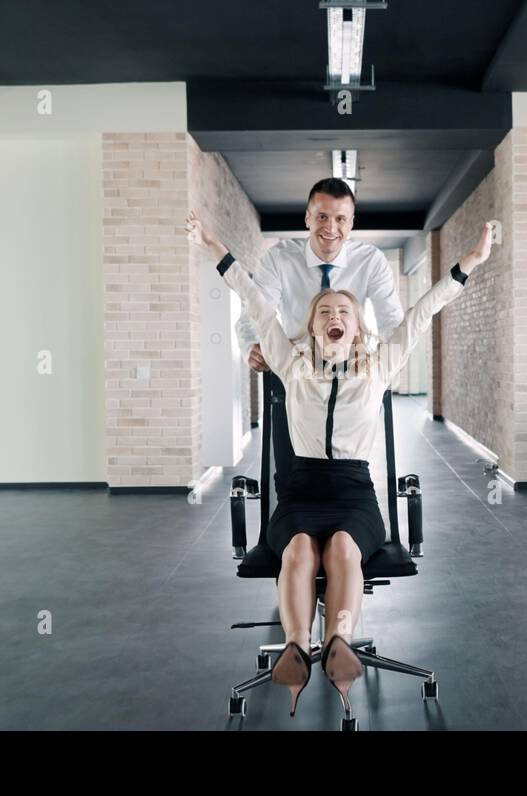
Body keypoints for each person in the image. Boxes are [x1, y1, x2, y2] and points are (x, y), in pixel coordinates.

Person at [185, 208, 495, 717]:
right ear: (311, 325)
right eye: (325, 311)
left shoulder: (379, 366)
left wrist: (470, 262)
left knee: (346, 549)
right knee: (301, 551)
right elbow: (254, 297)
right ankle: (294, 647)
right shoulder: (291, 363)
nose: (335, 317)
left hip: (354, 495)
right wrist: (212, 244)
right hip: (301, 492)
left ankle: (339, 644)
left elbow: (423, 311)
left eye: (345, 312)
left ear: (357, 328)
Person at [236, 178, 405, 501]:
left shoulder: (370, 261)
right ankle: (294, 539)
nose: (331, 227)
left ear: (351, 222)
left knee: (349, 472)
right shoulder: (280, 258)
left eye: (341, 218)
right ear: (307, 218)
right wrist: (252, 345)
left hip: (351, 375)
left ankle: (347, 535)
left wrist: (386, 366)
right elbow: (252, 314)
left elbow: (393, 324)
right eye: (322, 216)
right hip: (295, 375)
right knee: (290, 474)